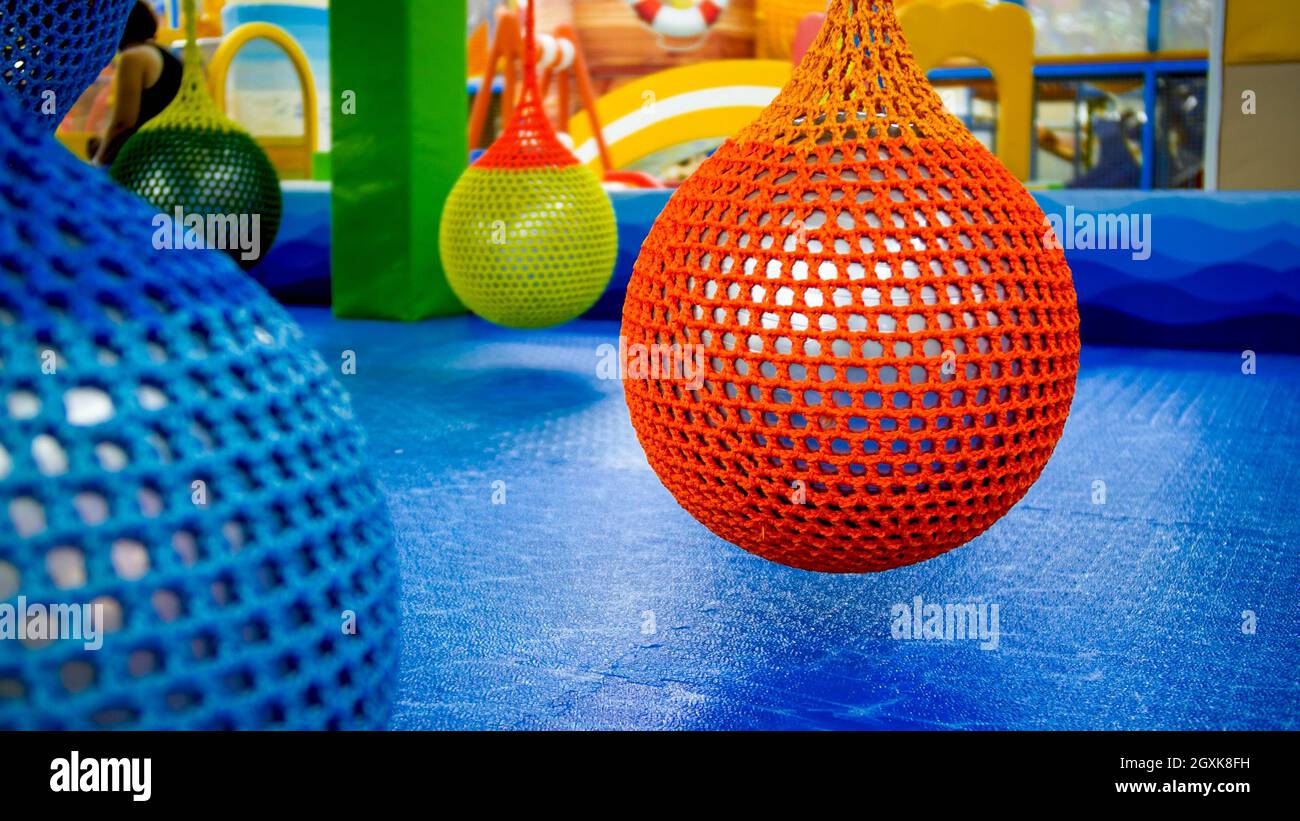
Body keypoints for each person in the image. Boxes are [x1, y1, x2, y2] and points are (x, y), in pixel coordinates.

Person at [90, 1, 182, 166]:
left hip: (150, 155)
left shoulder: (133, 57)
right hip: (175, 148)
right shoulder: (162, 53)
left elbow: (123, 122)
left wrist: (98, 160)